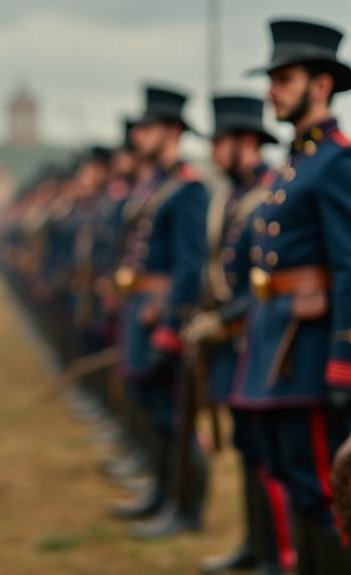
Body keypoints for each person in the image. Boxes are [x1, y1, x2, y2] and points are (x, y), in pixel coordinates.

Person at [234, 18, 351, 573]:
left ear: (321, 84)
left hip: (311, 349)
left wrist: (343, 363)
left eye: (284, 78)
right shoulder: (298, 164)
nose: (272, 91)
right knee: (290, 474)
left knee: (320, 489)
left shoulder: (337, 161)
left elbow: (350, 266)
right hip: (278, 340)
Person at [190, 94, 294, 575]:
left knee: (268, 453)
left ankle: (279, 553)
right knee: (248, 448)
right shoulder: (232, 197)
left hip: (259, 339)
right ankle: (256, 543)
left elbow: (266, 283)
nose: (214, 153)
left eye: (220, 144)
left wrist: (223, 319)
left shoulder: (267, 196)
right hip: (237, 341)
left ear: (246, 143)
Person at [113, 84, 210, 540]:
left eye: (147, 128)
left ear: (171, 132)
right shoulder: (158, 185)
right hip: (143, 307)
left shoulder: (189, 188)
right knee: (152, 409)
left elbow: (190, 267)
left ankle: (185, 508)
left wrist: (172, 326)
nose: (139, 136)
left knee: (175, 415)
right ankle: (159, 493)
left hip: (162, 312)